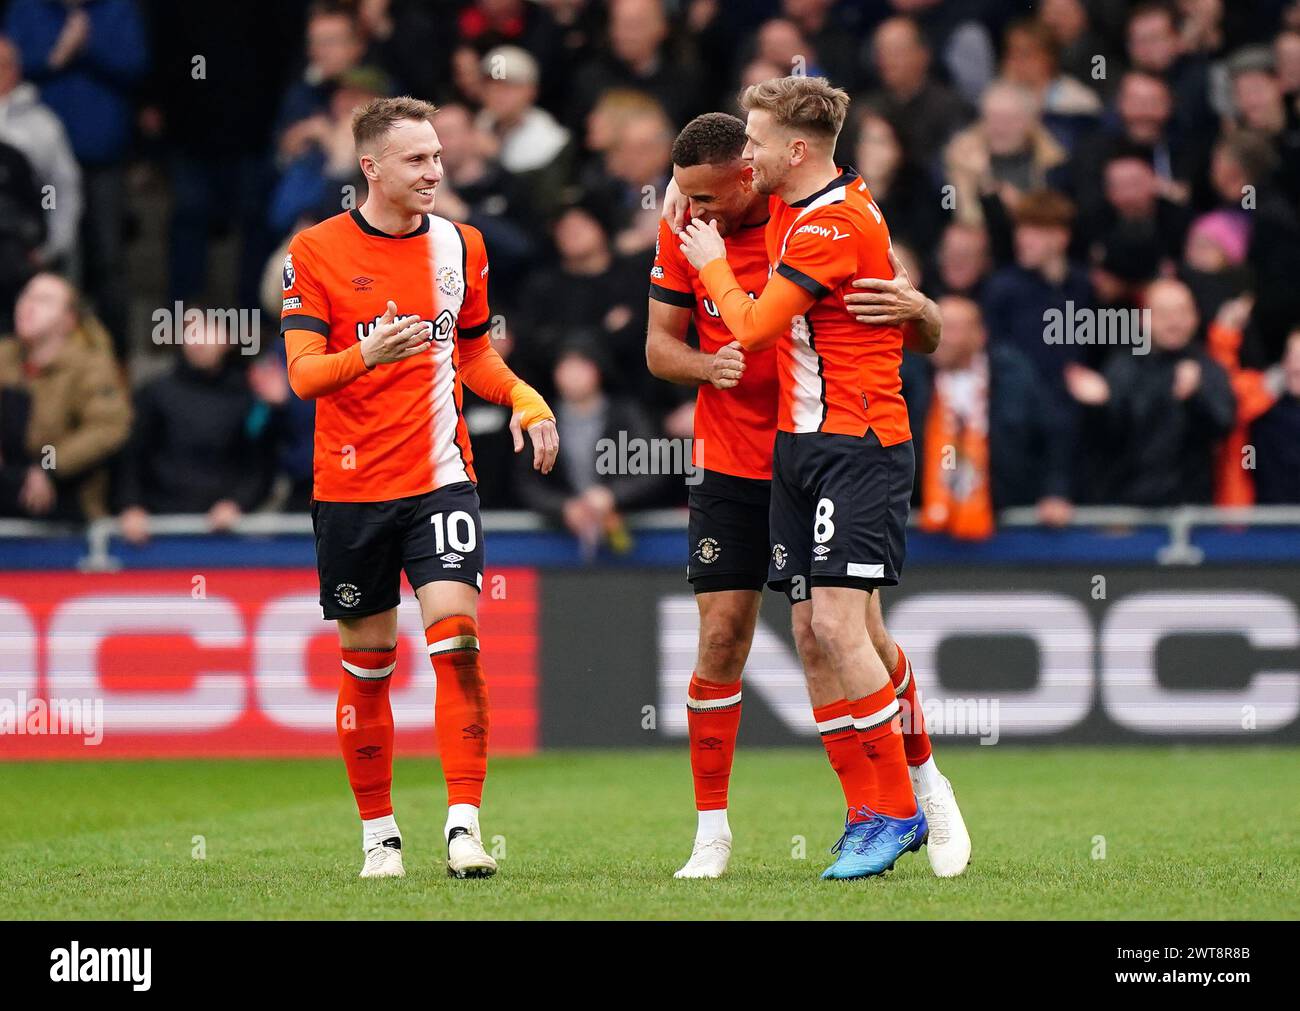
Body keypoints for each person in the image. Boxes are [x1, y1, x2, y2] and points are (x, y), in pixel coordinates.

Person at [649, 111, 969, 879]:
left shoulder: (812, 214)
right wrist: (703, 369)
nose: (698, 212)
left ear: (751, 171)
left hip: (835, 449)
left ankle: (917, 786)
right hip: (735, 457)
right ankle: (712, 832)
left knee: (839, 634)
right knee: (724, 636)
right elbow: (660, 347)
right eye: (685, 196)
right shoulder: (690, 220)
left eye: (708, 196)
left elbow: (912, 330)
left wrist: (924, 309)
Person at [280, 96, 559, 881]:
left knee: (458, 647)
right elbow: (302, 375)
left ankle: (464, 826)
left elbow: (474, 358)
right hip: (351, 489)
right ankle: (379, 835)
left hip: (441, 478)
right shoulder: (316, 251)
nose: (434, 171)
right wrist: (366, 355)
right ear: (370, 168)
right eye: (416, 159)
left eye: (437, 156)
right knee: (367, 666)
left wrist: (527, 400)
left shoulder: (461, 246)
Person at [0, 272, 129, 520]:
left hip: (66, 497)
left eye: (44, 300)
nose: (28, 305)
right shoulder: (5, 355)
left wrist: (47, 467)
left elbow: (109, 427)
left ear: (68, 320)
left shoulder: (90, 365)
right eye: (26, 295)